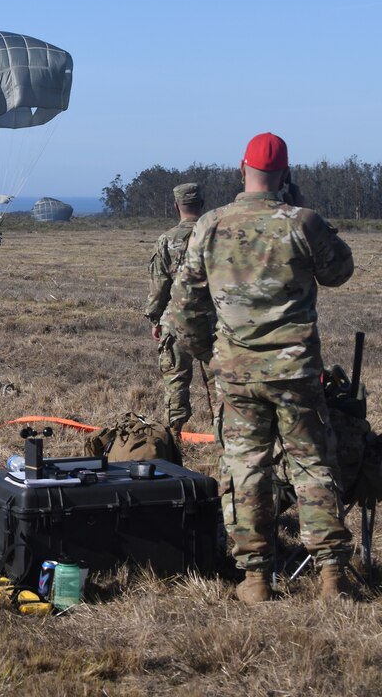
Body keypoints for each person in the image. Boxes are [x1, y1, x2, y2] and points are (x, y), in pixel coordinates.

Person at [169, 132, 354, 603]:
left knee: (246, 468)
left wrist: (205, 354)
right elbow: (339, 271)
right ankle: (331, 577)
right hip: (295, 373)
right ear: (286, 173)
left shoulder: (209, 225)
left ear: (241, 168)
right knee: (312, 465)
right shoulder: (302, 222)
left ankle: (256, 580)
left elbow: (185, 304)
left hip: (237, 373)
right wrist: (307, 212)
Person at [144, 183, 213, 448]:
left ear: (176, 206)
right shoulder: (216, 236)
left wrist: (154, 318)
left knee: (176, 381)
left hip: (175, 322)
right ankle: (226, 438)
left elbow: (158, 285)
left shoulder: (166, 240)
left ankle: (174, 438)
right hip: (212, 323)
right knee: (219, 387)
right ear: (202, 204)